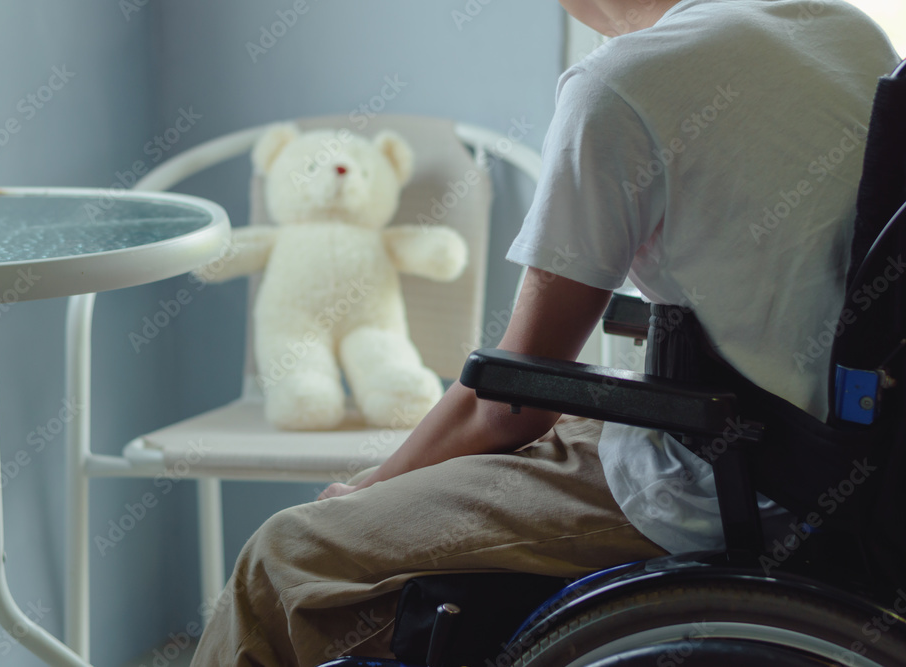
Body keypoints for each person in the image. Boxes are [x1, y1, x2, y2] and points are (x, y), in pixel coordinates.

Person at [192, 0, 901, 664]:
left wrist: (369, 488)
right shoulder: (840, 25)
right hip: (845, 458)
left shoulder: (622, 86)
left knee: (281, 559)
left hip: (723, 482)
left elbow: (510, 400)